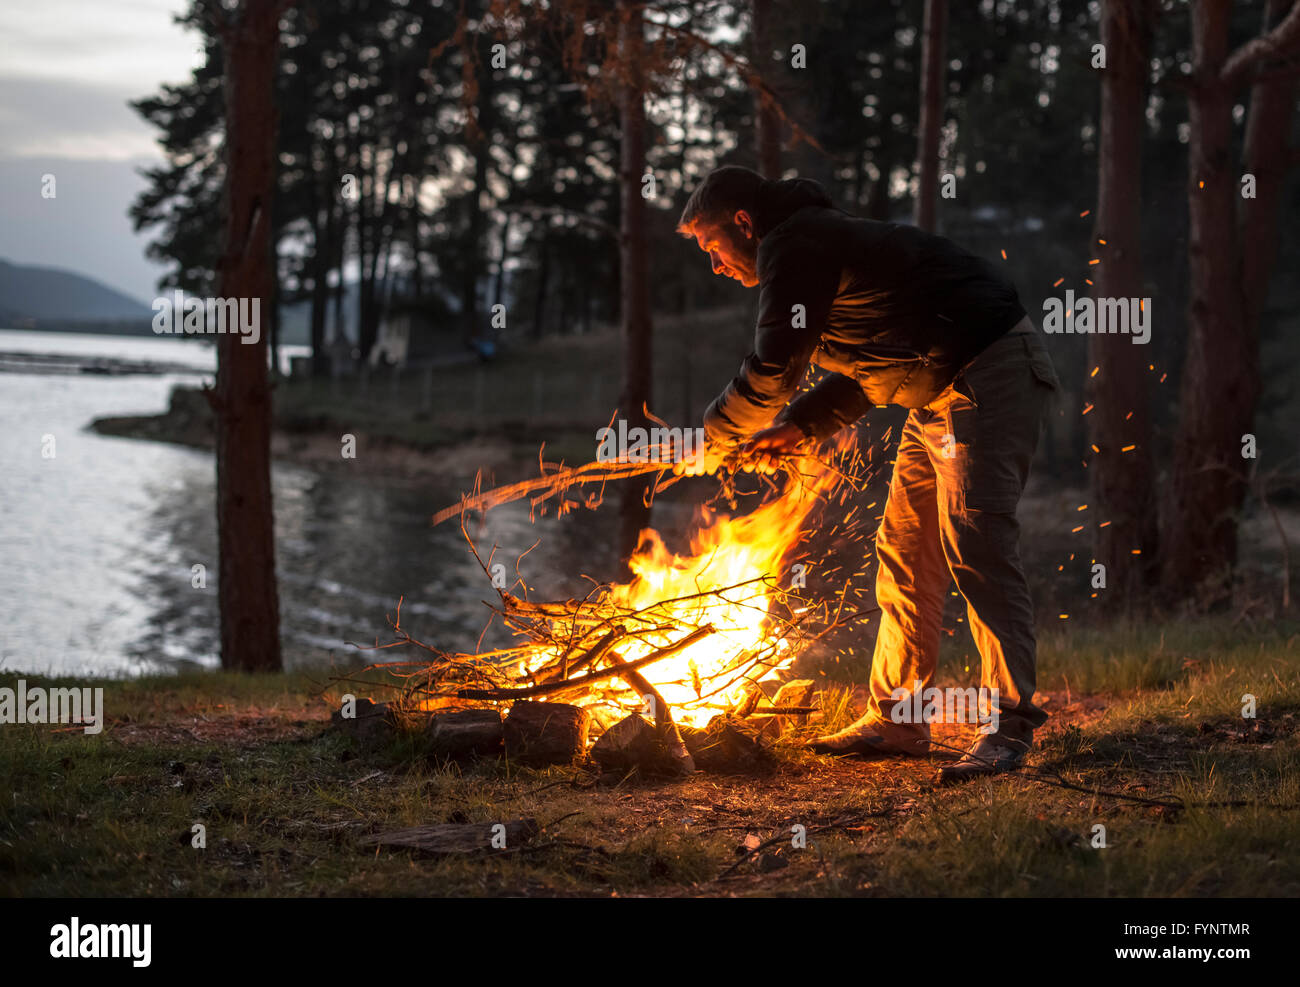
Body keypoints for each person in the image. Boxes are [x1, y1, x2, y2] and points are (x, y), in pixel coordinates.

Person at [672, 165, 1060, 783]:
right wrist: (800, 426)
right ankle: (901, 719)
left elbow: (774, 364)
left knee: (976, 541)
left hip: (987, 374)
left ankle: (1008, 728)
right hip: (934, 391)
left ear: (743, 223)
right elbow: (874, 363)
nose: (716, 266)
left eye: (713, 248)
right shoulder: (813, 245)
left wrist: (713, 435)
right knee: (905, 548)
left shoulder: (794, 245)